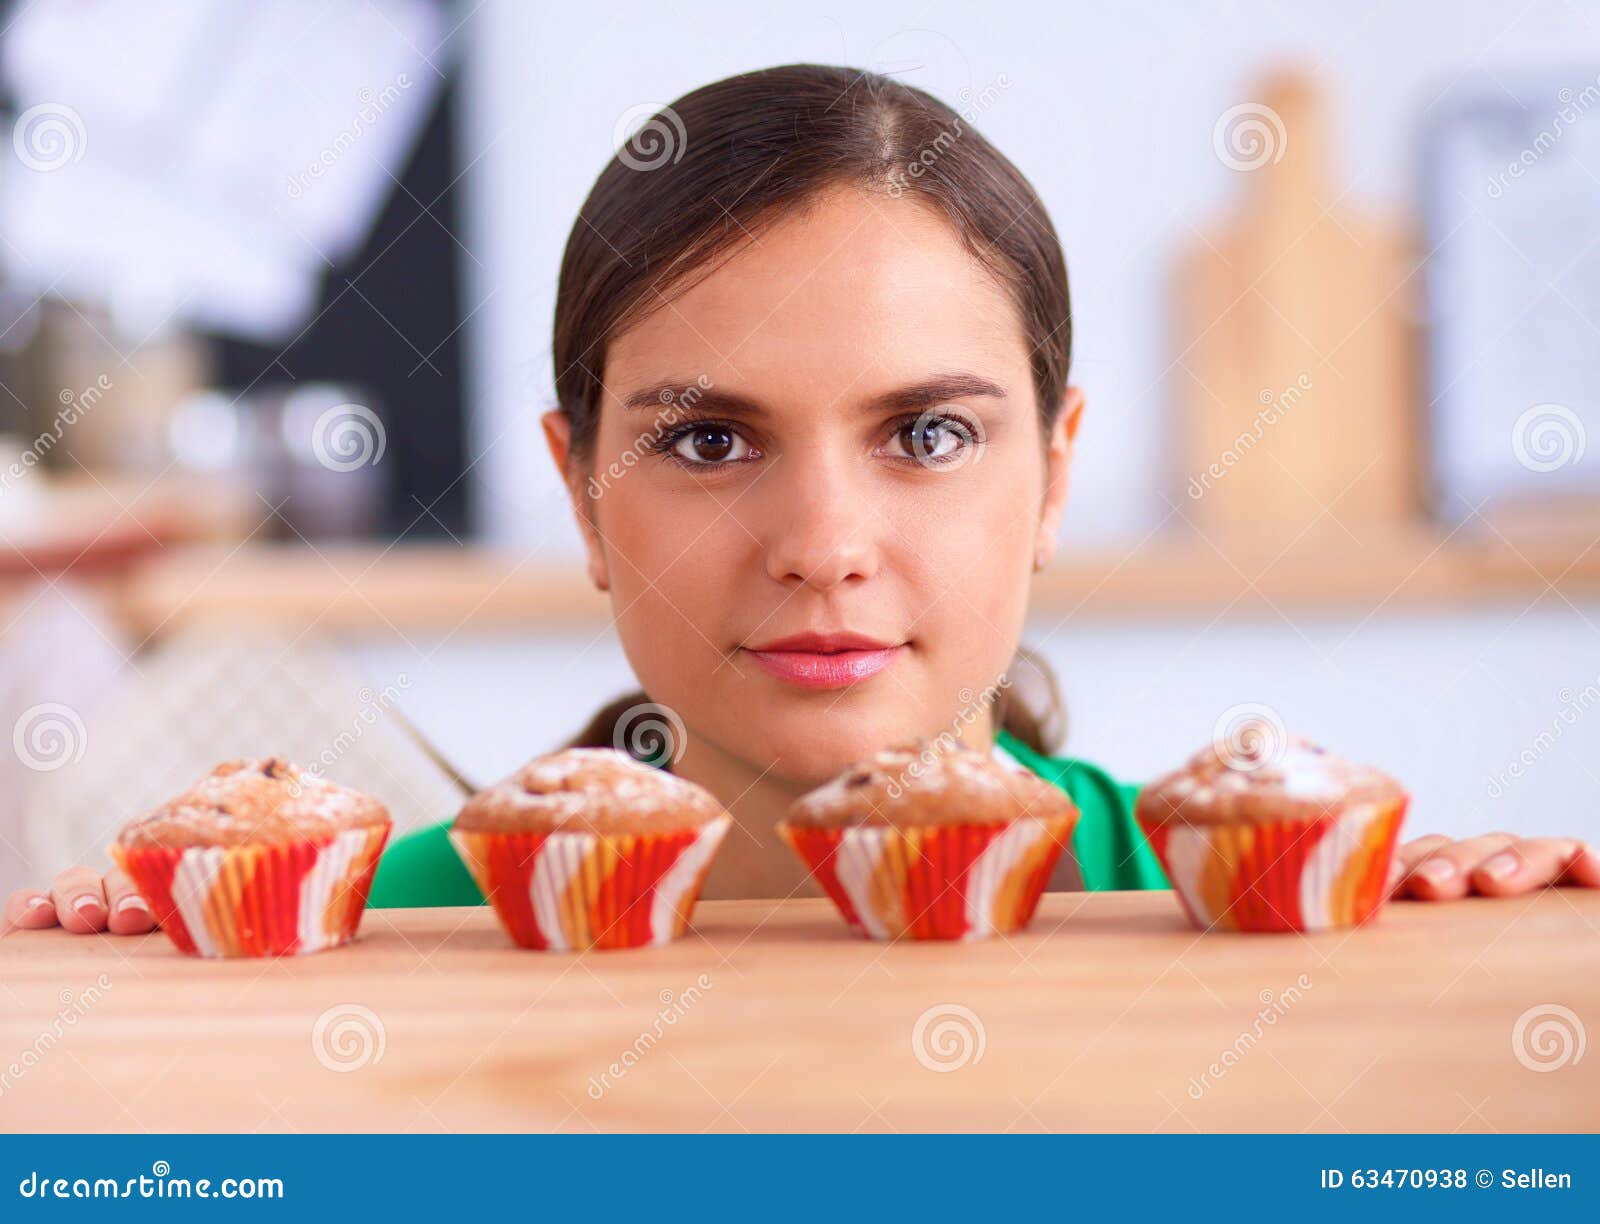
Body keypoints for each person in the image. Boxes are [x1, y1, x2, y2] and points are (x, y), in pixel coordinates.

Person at [7, 64, 1596, 936]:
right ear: (578, 492)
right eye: (708, 442)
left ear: (1052, 473)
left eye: (926, 434)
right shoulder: (359, 934)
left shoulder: (1264, 903)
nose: (824, 546)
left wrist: (1497, 950)